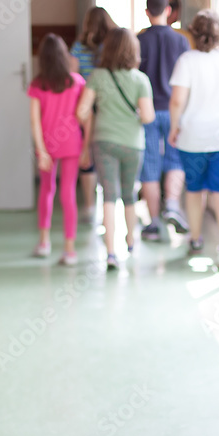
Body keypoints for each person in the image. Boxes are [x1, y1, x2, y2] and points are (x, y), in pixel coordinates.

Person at [168, 9, 219, 271]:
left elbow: (177, 100)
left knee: (194, 190)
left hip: (193, 137)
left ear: (195, 33)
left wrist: (174, 127)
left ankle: (195, 239)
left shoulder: (187, 60)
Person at [77, 28, 155, 271]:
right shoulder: (140, 79)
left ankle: (110, 253)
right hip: (133, 143)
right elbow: (148, 117)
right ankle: (130, 241)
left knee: (108, 196)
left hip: (104, 141)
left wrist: (97, 115)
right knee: (129, 194)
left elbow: (81, 111)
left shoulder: (98, 76)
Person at [28, 33, 89, 266]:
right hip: (71, 144)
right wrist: (85, 147)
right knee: (68, 193)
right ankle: (70, 250)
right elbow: (85, 116)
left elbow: (34, 120)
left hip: (48, 146)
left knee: (46, 190)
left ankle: (44, 243)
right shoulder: (76, 82)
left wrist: (41, 151)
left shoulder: (37, 85)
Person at [137, 0, 190, 242]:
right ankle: (172, 204)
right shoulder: (181, 42)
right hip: (174, 109)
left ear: (147, 12)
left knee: (149, 163)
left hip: (146, 111)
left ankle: (153, 223)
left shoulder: (139, 41)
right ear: (168, 10)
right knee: (175, 158)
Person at [70, 7, 117, 223]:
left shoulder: (78, 48)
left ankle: (89, 206)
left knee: (86, 153)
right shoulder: (112, 47)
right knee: (107, 152)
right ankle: (110, 205)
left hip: (85, 106)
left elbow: (72, 77)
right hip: (108, 106)